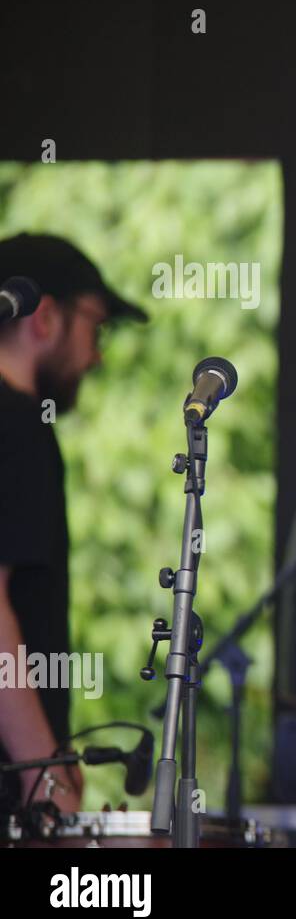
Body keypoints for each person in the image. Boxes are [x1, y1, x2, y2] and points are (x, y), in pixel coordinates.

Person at [0, 233, 147, 815]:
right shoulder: (19, 431)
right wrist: (46, 775)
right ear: (46, 317)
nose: (97, 353)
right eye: (97, 325)